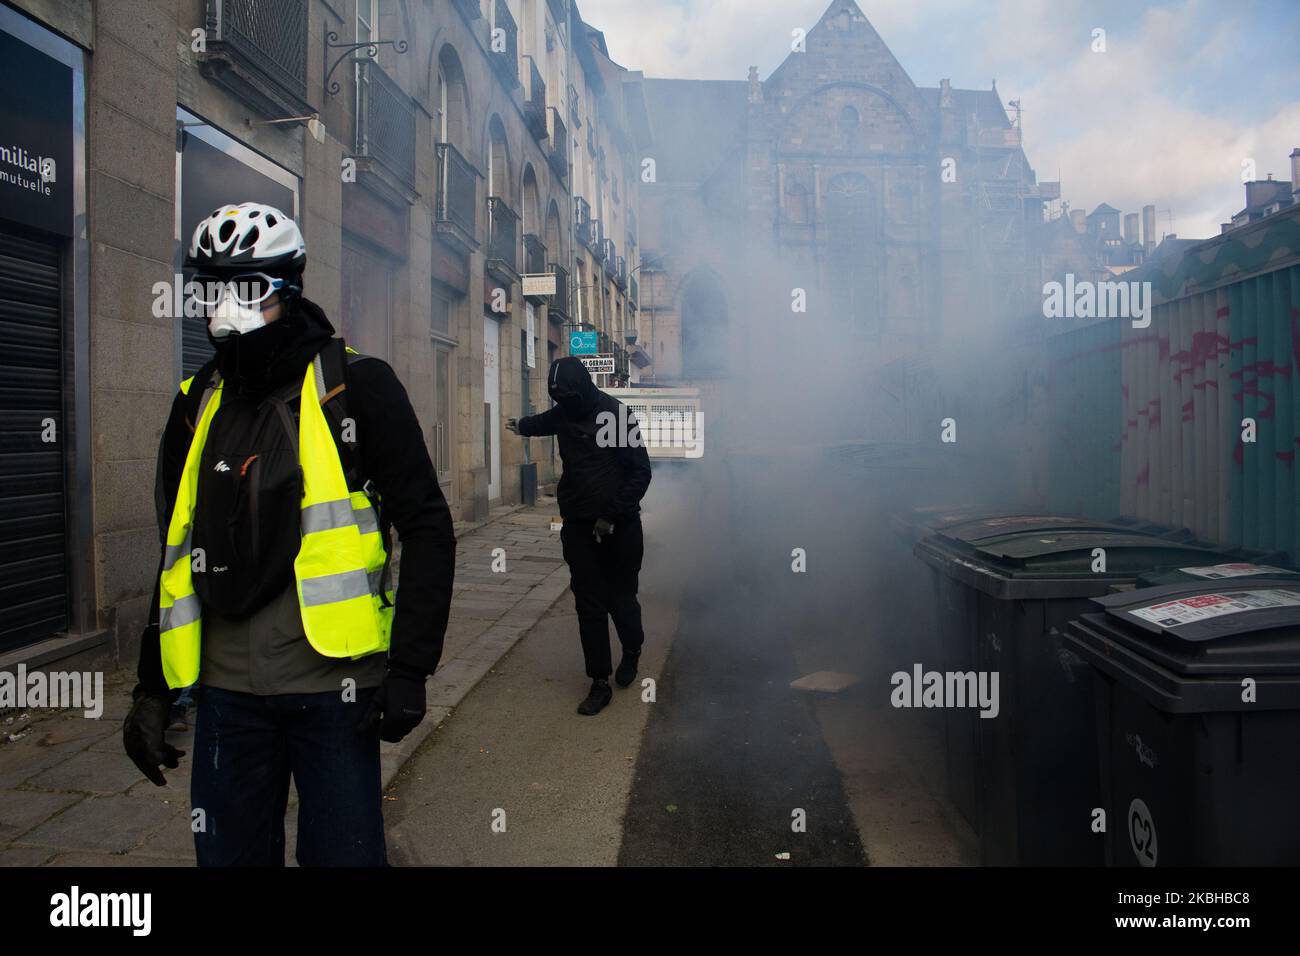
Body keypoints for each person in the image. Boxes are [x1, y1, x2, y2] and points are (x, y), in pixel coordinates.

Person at [122, 202, 456, 866]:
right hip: (224, 695)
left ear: (289, 289)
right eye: (213, 289)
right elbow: (174, 554)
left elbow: (428, 526)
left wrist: (410, 669)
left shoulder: (356, 386)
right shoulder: (196, 400)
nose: (227, 309)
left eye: (247, 290)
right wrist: (152, 690)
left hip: (334, 693)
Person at [507, 357, 652, 715]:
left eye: (568, 397)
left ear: (583, 388)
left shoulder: (615, 415)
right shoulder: (565, 410)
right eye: (559, 400)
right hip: (578, 525)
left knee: (621, 598)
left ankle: (632, 649)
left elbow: (640, 473)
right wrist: (521, 425)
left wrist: (610, 515)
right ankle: (599, 681)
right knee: (589, 603)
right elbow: (545, 422)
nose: (564, 405)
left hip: (619, 527)